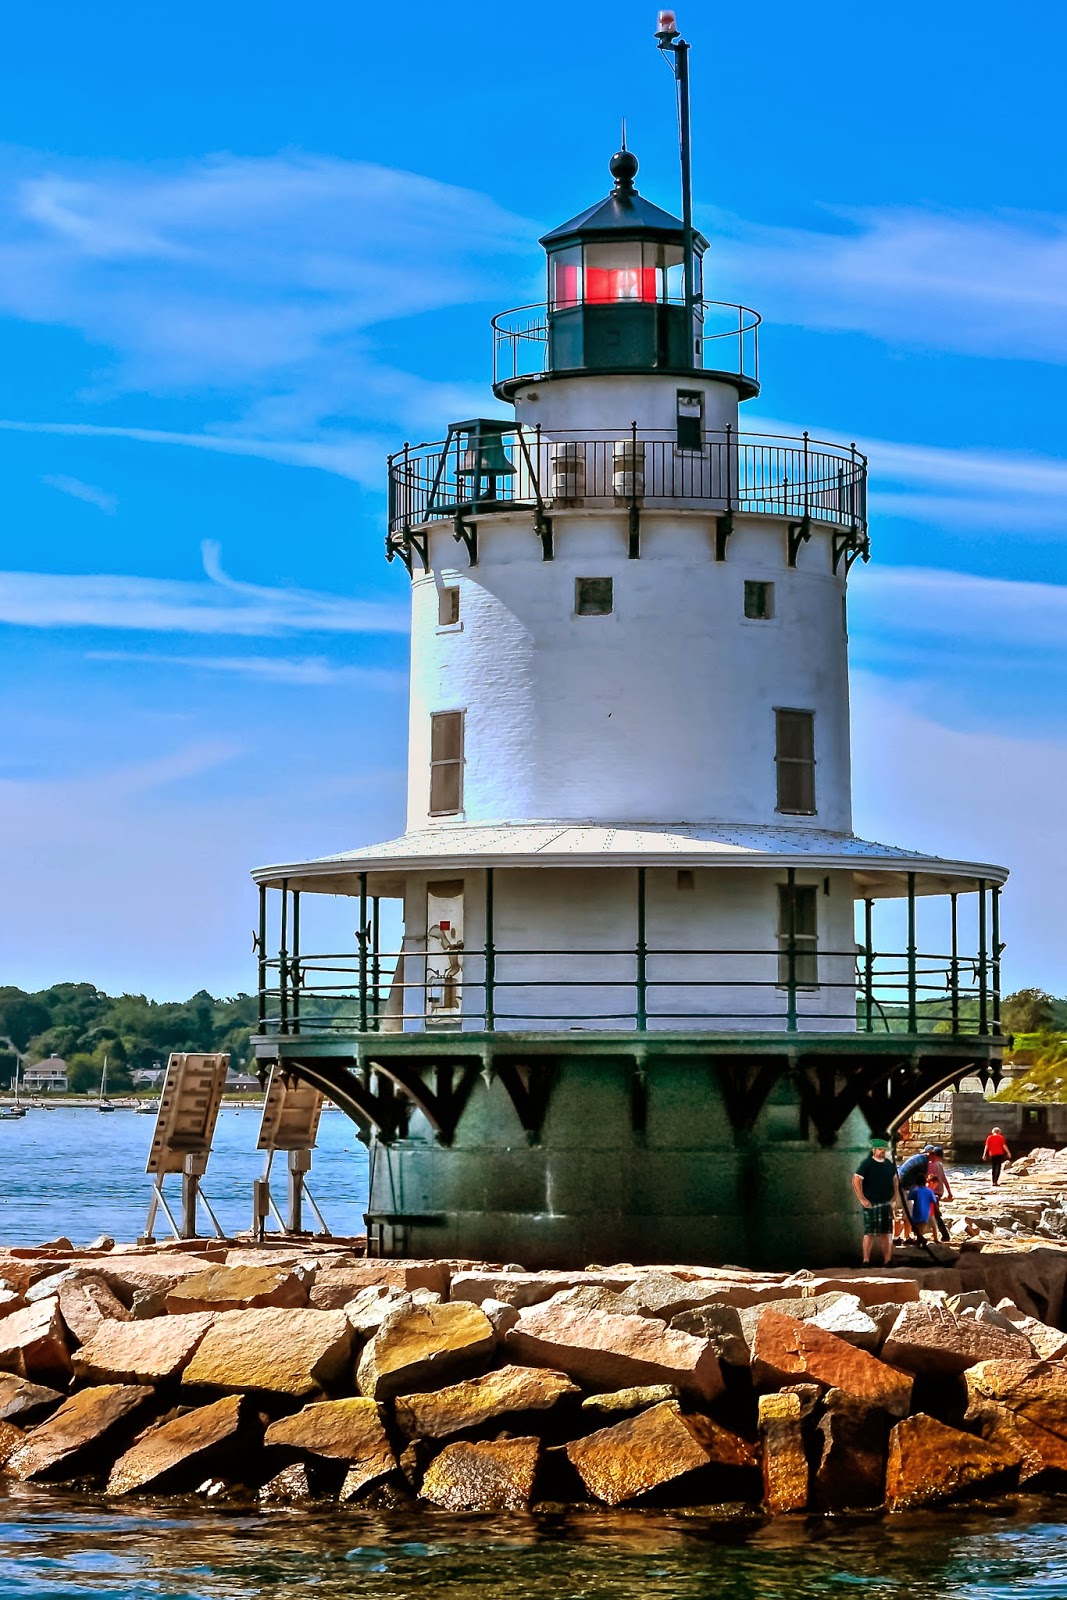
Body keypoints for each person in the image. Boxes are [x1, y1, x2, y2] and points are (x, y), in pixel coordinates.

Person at [852, 1136, 901, 1266]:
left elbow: (895, 1179)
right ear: (874, 1150)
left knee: (886, 1233)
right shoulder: (867, 1164)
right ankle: (866, 1260)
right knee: (870, 1233)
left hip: (886, 1203)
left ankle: (887, 1260)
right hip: (872, 1203)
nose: (882, 1151)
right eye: (880, 1149)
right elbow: (856, 1179)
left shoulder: (888, 1164)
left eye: (884, 1149)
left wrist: (895, 1195)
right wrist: (862, 1198)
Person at [893, 1148, 930, 1243]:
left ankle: (906, 1237)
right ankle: (897, 1238)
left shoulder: (918, 1159)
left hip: (903, 1186)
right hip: (901, 1187)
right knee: (901, 1213)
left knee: (908, 1213)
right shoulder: (922, 1163)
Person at [926, 1145, 953, 1242]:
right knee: (935, 1212)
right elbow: (944, 1178)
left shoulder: (930, 1164)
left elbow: (928, 1178)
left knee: (935, 1214)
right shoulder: (939, 1165)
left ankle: (944, 1235)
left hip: (932, 1191)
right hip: (939, 1191)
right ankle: (942, 1234)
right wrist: (949, 1191)